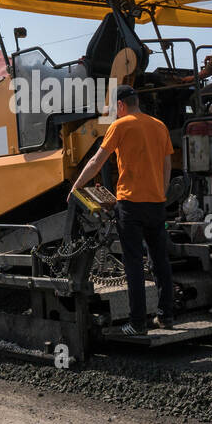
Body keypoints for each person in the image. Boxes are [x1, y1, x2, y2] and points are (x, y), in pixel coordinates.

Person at [68, 85, 175, 334]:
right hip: (157, 203)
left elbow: (97, 161)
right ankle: (166, 316)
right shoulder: (159, 126)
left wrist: (76, 186)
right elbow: (167, 165)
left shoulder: (120, 125)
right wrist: (161, 191)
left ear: (120, 105)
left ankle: (137, 323)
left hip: (130, 205)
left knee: (134, 264)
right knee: (160, 261)